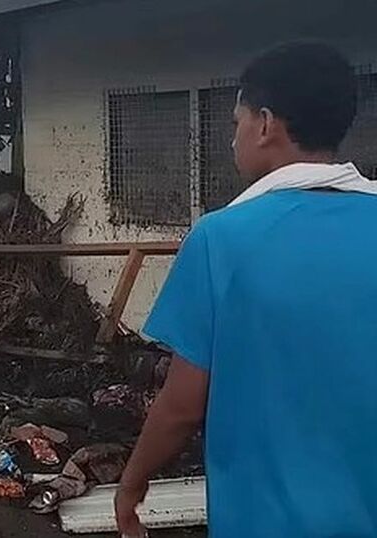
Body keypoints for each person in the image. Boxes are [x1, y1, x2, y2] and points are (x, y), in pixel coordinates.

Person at [114, 42, 377, 537]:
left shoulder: (222, 238)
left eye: (236, 123)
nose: (232, 140)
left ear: (265, 125)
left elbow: (182, 406)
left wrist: (132, 485)